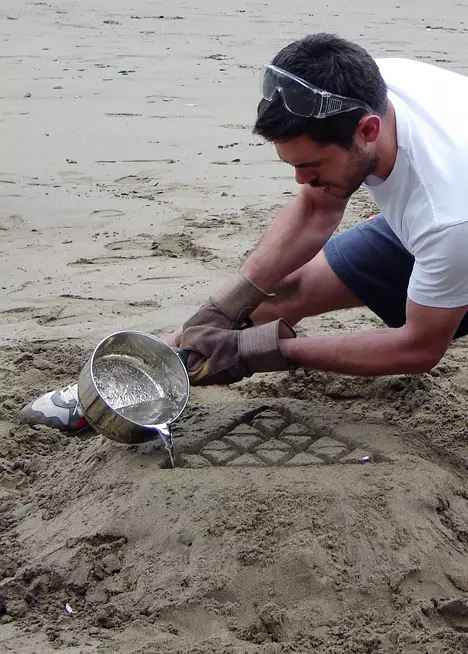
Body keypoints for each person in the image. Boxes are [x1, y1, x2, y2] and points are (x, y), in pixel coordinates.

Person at [22, 33, 468, 431]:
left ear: (368, 130)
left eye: (311, 166)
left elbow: (419, 348)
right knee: (283, 294)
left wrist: (268, 351)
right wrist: (228, 305)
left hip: (452, 228)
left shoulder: (446, 217)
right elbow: (316, 210)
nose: (301, 180)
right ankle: (136, 383)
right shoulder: (369, 85)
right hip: (439, 227)